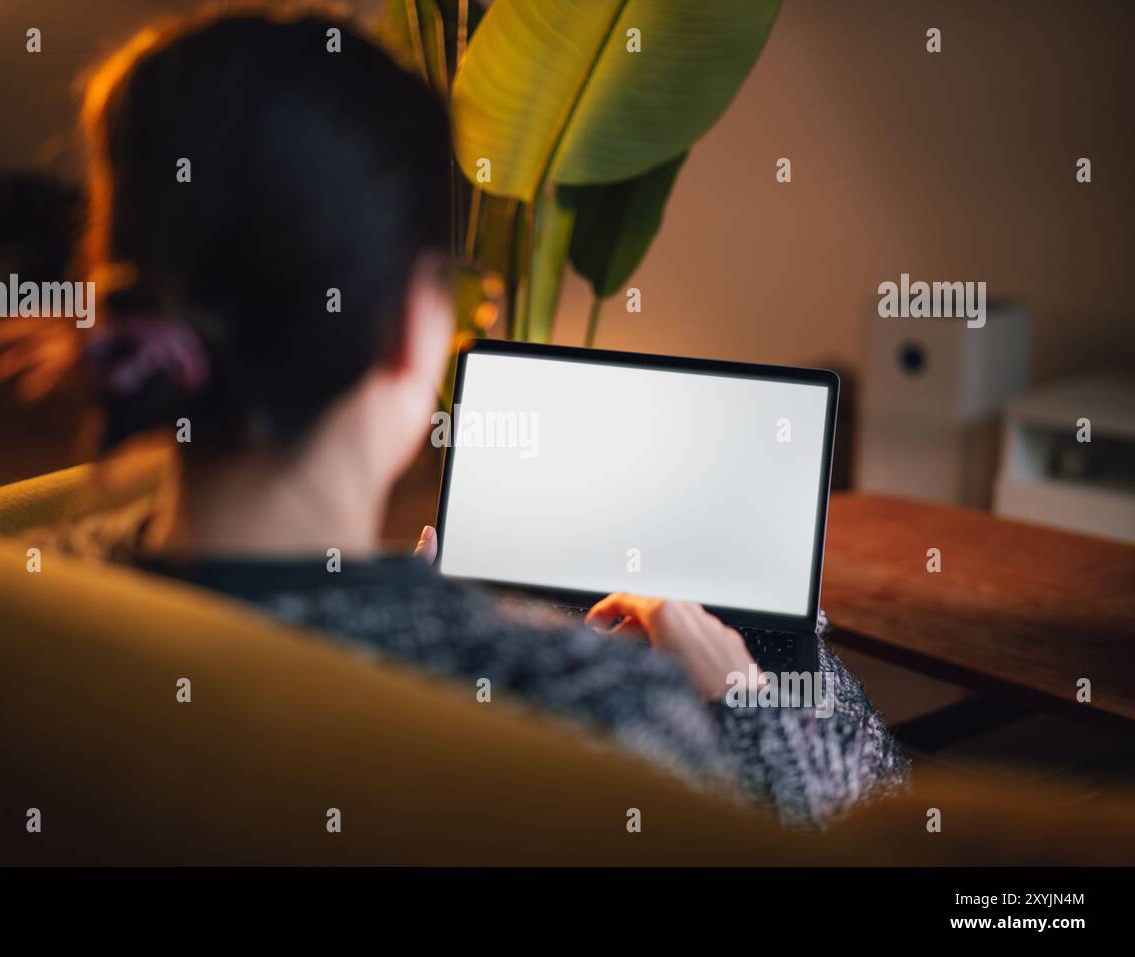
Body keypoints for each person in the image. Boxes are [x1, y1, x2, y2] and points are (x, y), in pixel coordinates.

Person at [63, 4, 908, 827]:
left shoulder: (32, 588)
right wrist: (741, 698)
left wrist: (419, 605)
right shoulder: (602, 712)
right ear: (408, 330)